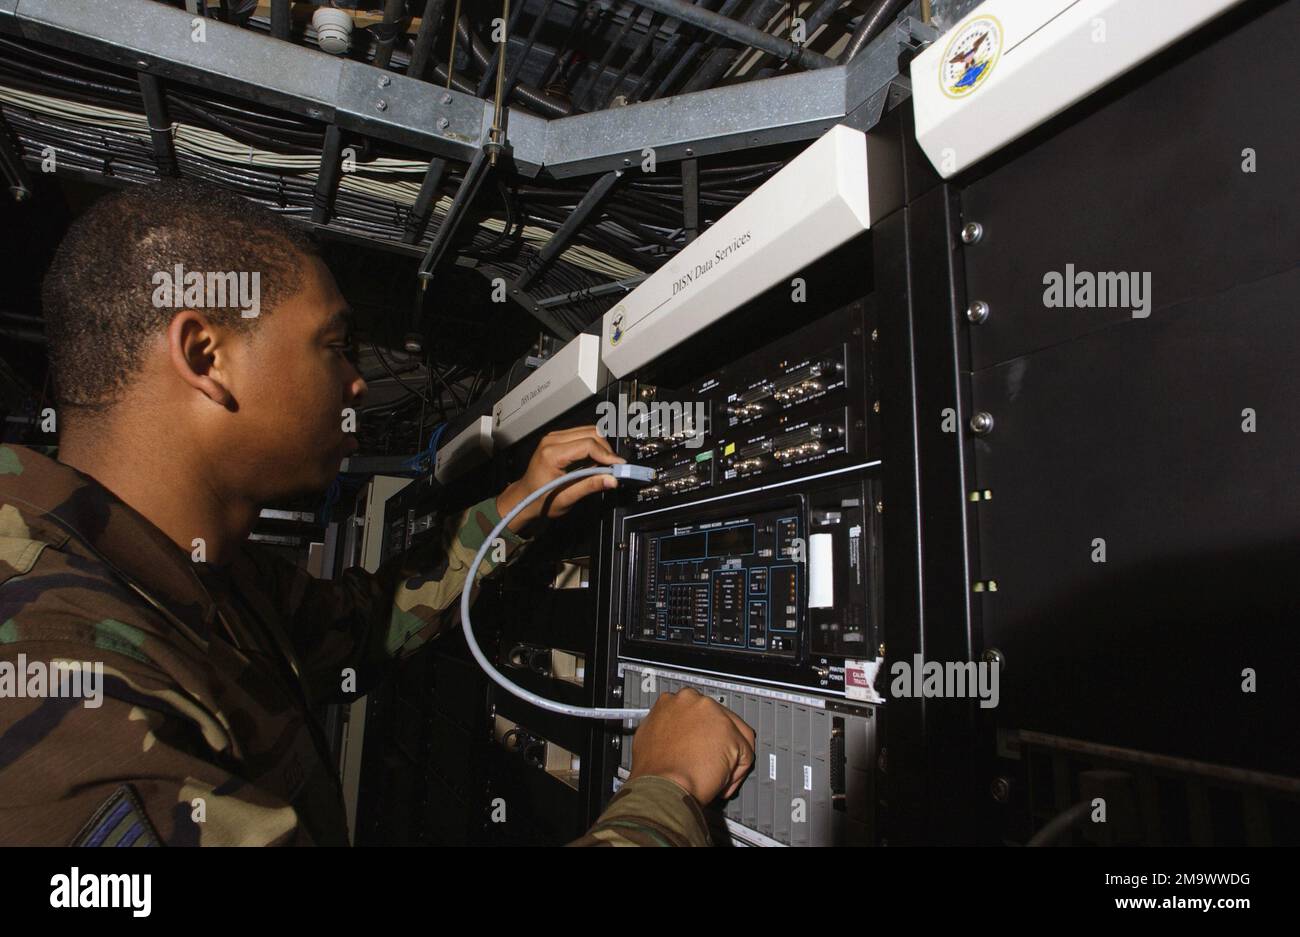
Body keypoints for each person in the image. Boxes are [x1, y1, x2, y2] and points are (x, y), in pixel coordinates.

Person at [0, 179, 754, 846]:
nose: (359, 384)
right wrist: (670, 791)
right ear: (205, 354)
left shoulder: (184, 566)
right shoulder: (54, 686)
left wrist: (508, 512)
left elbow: (366, 625)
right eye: (335, 345)